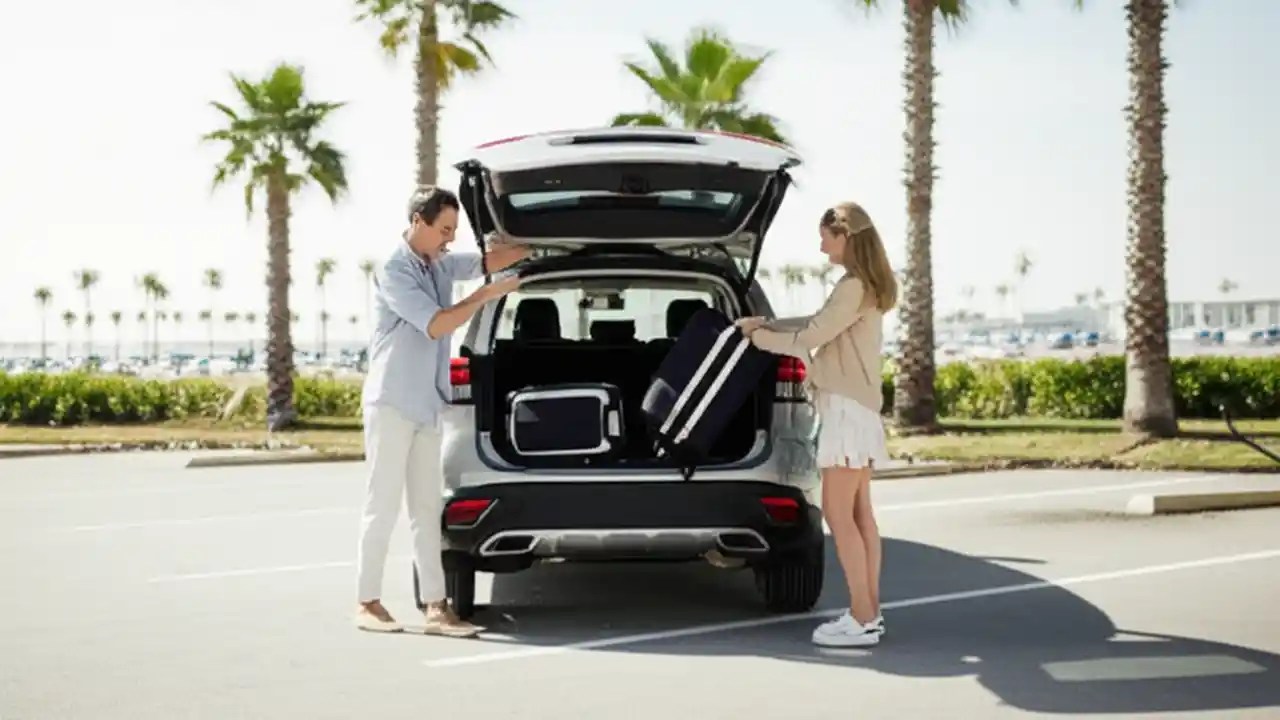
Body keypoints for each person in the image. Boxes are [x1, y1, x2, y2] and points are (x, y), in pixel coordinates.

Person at [355, 186, 528, 636]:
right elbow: (436, 324)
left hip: (428, 405)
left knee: (426, 509)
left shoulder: (438, 262)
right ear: (419, 221)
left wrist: (540, 243)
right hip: (392, 403)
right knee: (382, 505)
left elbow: (486, 262)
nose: (450, 239)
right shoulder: (395, 271)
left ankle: (436, 607)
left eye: (454, 230)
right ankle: (367, 603)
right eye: (444, 229)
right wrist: (485, 297)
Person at [736, 201, 898, 648]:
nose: (821, 244)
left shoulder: (852, 287)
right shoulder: (864, 286)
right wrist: (765, 323)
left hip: (846, 411)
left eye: (826, 235)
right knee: (861, 515)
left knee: (839, 515)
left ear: (846, 236)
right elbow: (816, 323)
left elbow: (810, 337)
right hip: (856, 409)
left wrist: (757, 338)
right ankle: (870, 613)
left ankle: (862, 618)